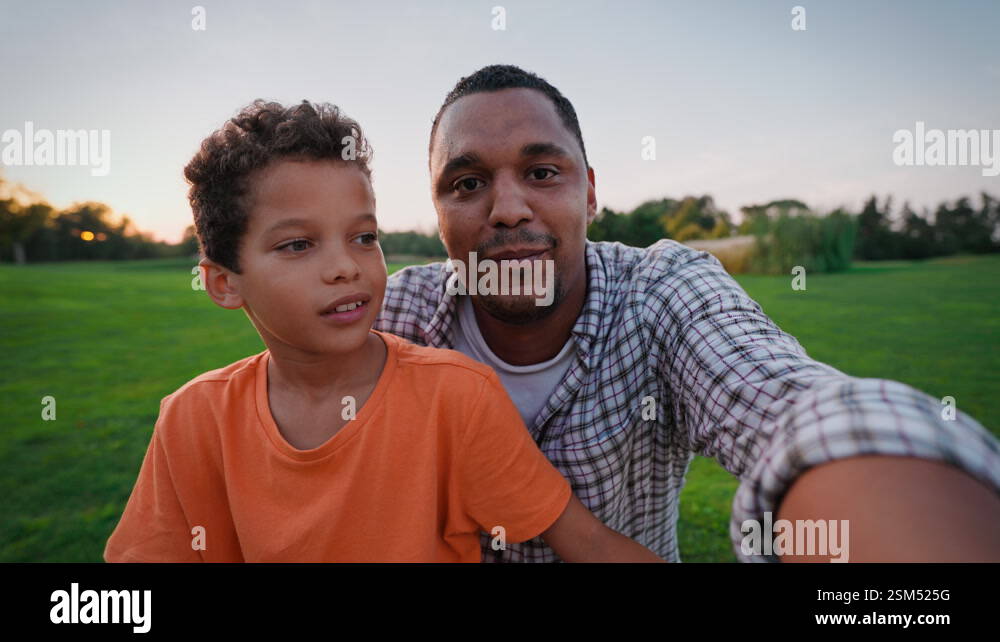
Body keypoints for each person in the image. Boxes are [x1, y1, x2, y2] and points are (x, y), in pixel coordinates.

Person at [375, 64, 1000, 562]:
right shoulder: (395, 314)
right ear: (436, 211)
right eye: (466, 183)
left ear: (589, 192)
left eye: (542, 171)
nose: (507, 208)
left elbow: (788, 406)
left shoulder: (661, 291)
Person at [103, 99, 664, 563]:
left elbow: (586, 542)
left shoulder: (457, 398)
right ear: (224, 284)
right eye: (298, 244)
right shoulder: (192, 418)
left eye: (363, 237)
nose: (346, 266)